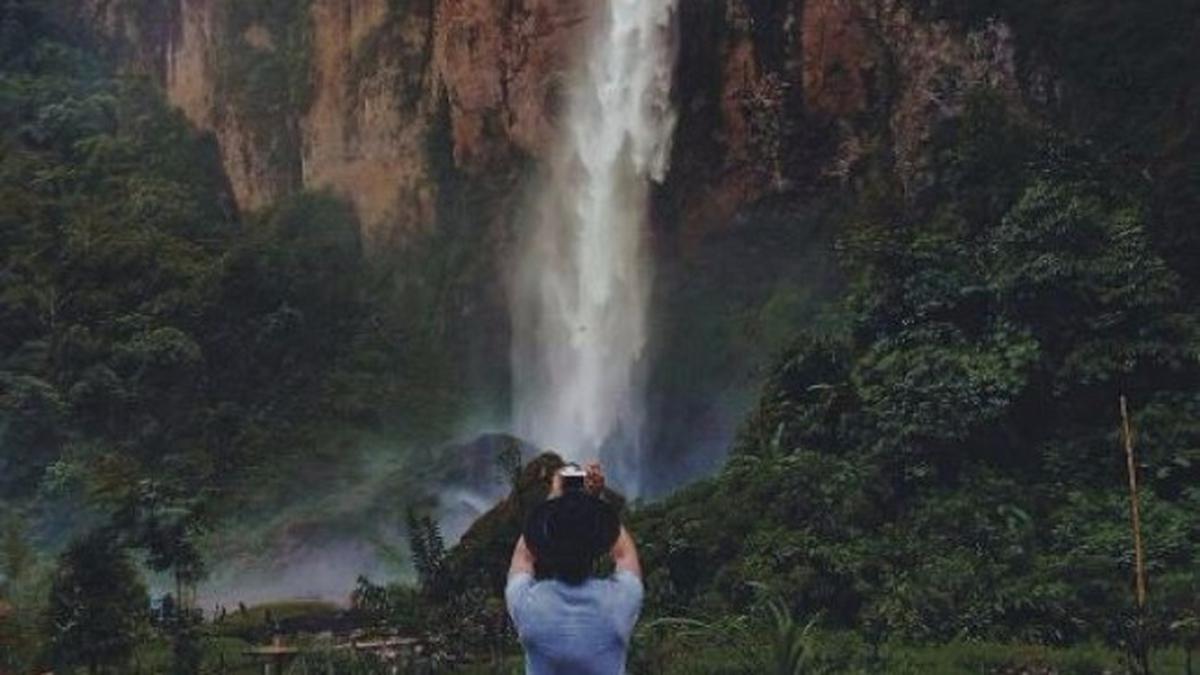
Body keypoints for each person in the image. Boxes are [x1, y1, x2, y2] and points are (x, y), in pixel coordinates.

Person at [505, 462, 643, 675]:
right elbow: (625, 553)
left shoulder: (528, 606)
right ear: (596, 547)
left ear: (547, 546)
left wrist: (554, 499)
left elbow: (523, 557)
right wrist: (593, 501)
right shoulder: (619, 602)